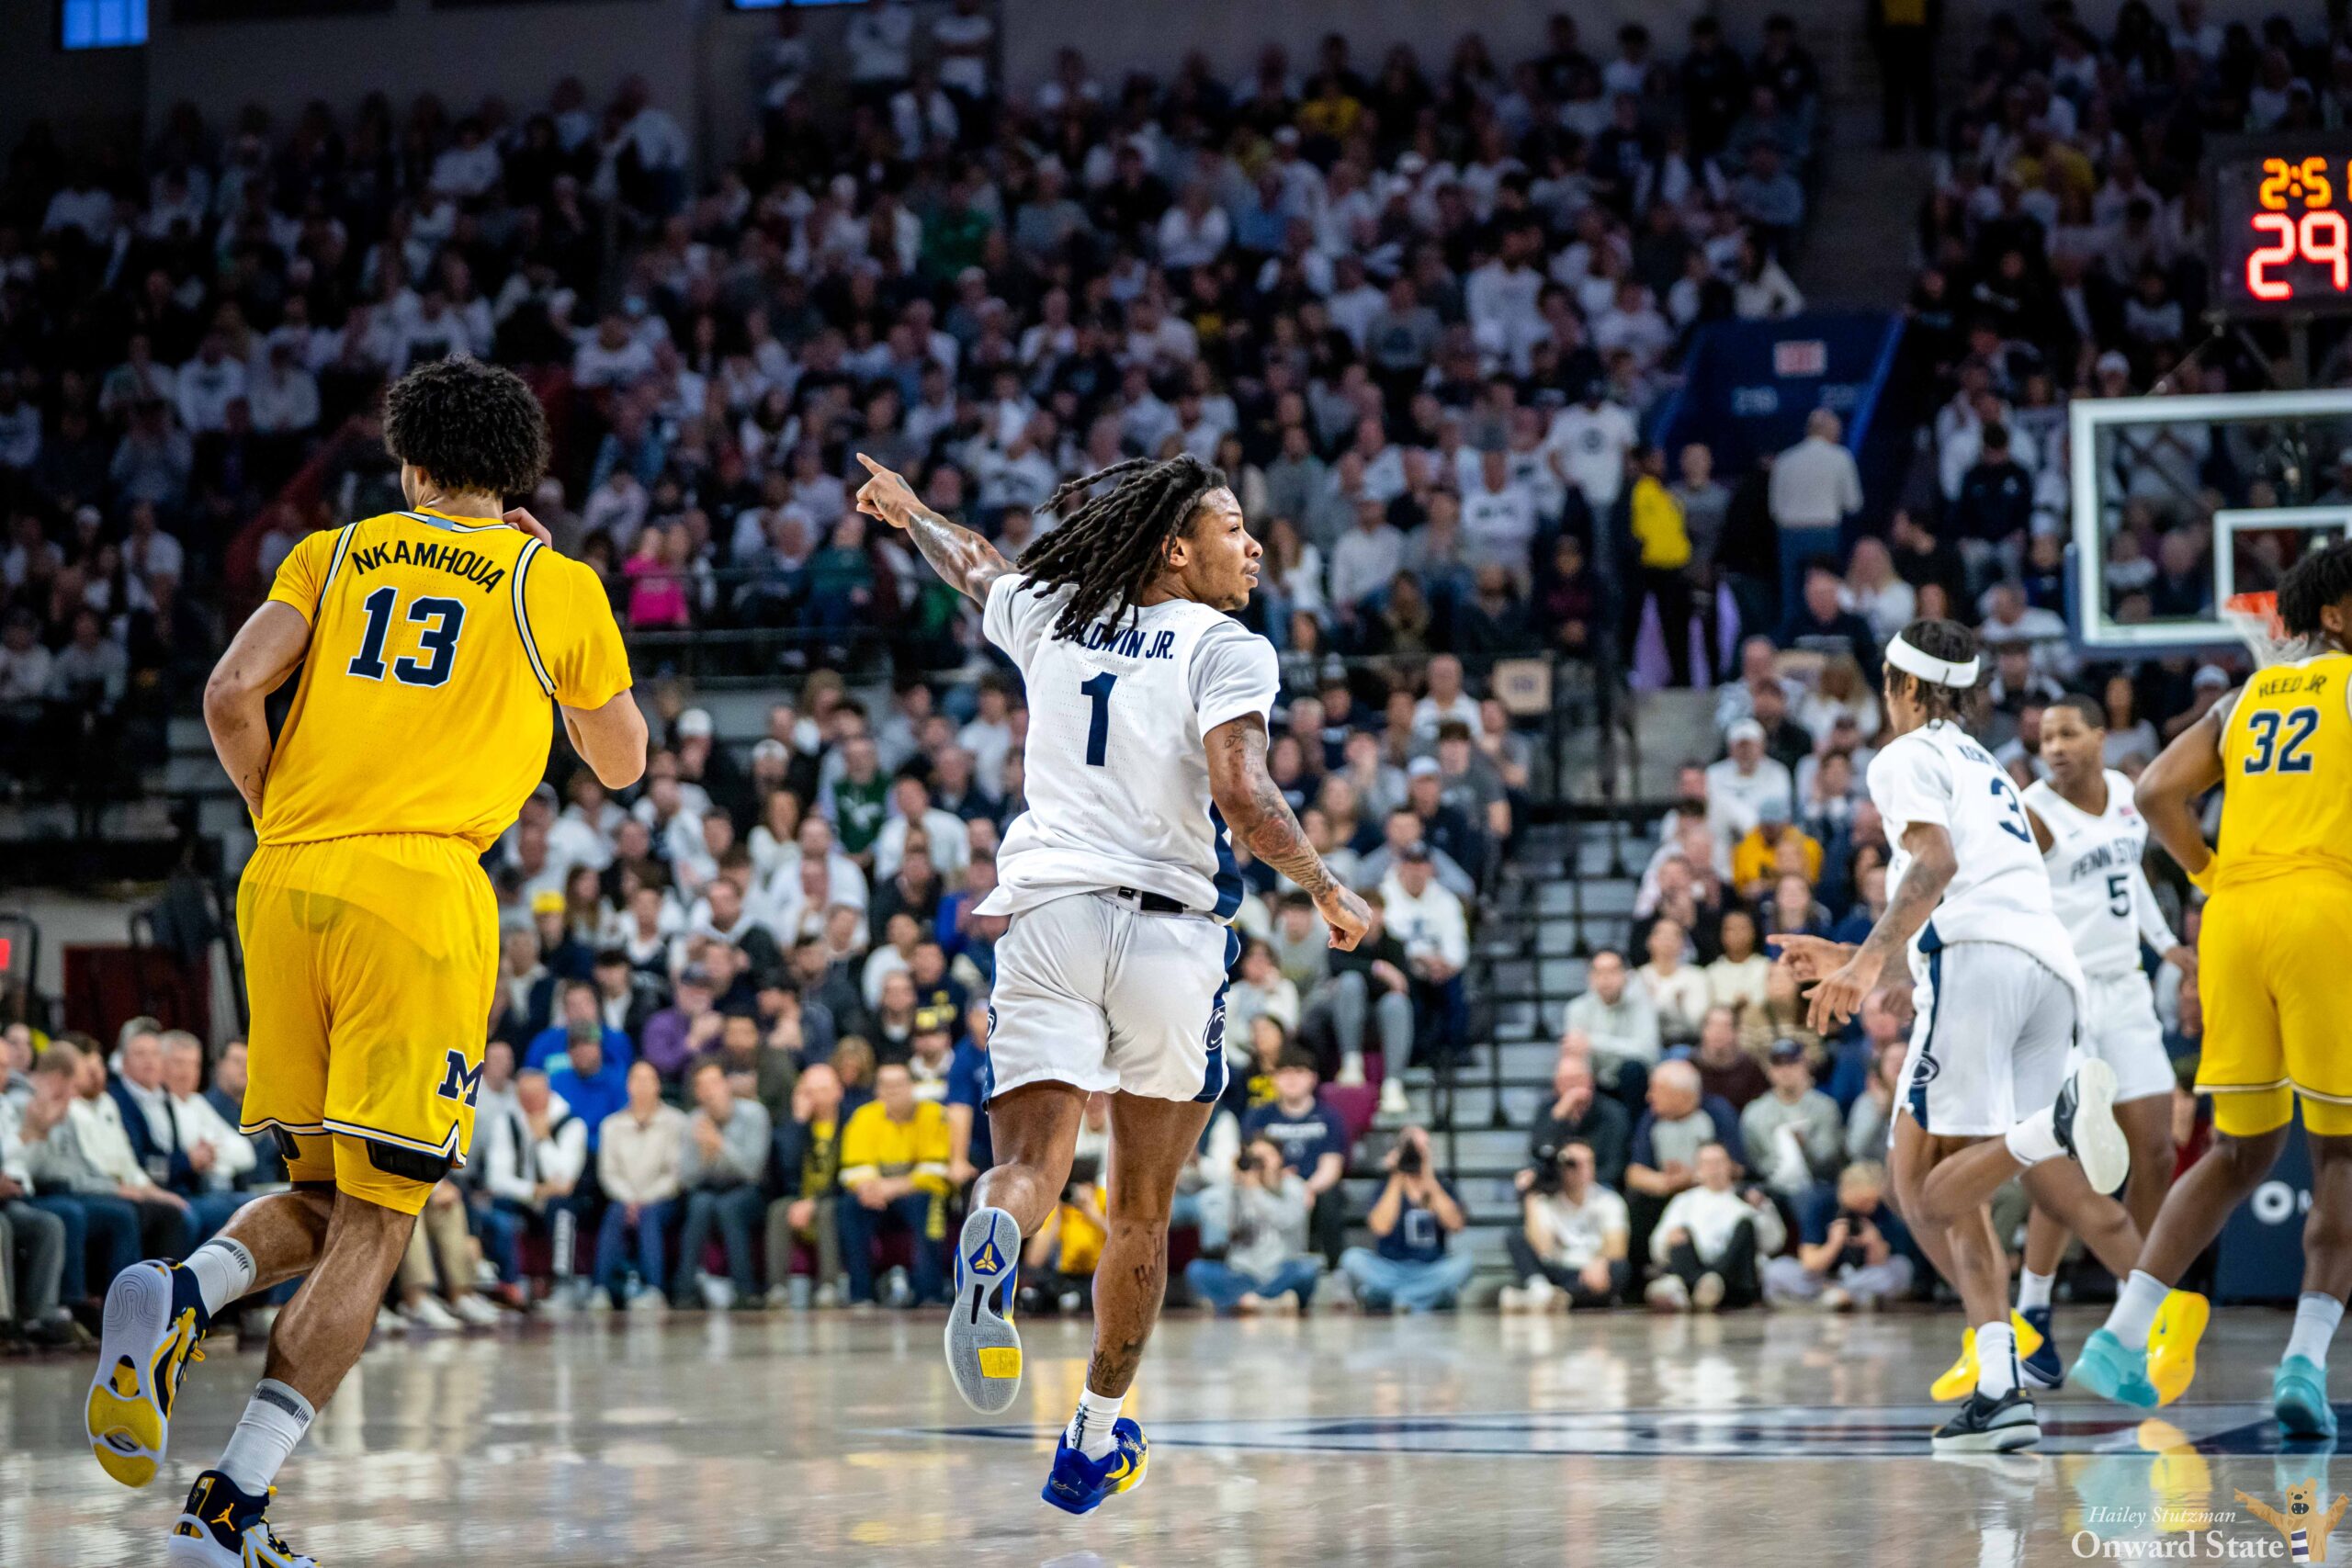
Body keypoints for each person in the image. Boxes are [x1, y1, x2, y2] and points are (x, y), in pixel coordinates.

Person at [87, 355, 645, 1560]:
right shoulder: (552, 581)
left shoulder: (330, 554)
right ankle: (230, 1501)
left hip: (286, 877)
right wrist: (557, 645)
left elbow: (231, 690)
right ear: (518, 475)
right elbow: (622, 760)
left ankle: (185, 1292)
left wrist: (278, 813)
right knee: (385, 1220)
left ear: (407, 462)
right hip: (419, 889)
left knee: (332, 1192)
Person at [851, 450, 1367, 1512]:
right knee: (1139, 1209)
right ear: (1176, 549)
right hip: (1171, 938)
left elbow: (976, 565)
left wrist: (908, 512)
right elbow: (1244, 793)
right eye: (1233, 527)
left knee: (1031, 1169)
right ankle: (1091, 1433)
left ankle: (998, 1227)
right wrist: (1325, 889)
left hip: (1048, 915)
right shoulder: (1223, 644)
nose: (1255, 544)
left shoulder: (1049, 609)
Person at [1774, 616, 2132, 1452]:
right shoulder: (1989, 767)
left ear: (1900, 686)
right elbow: (1959, 900)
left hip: (1980, 966)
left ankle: (2053, 1125)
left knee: (1922, 1193)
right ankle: (2000, 1387)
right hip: (2046, 972)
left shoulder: (1903, 755)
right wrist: (1858, 955)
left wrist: (1862, 968)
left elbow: (1934, 868)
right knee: (1943, 1187)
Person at [2075, 545, 2352, 1437]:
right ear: (2338, 616)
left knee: (2238, 1153)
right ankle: (2304, 1362)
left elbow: (2155, 790)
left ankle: (2119, 1338)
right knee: (2341, 1156)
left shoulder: (2241, 700)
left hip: (2231, 917)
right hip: (2321, 908)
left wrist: (2208, 873)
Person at [2010, 693, 2197, 1389]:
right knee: (2072, 1161)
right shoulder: (2033, 812)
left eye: (2066, 733)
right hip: (2066, 994)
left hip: (2125, 988)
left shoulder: (2124, 790)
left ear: (2100, 735)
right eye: (2045, 735)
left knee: (2152, 1146)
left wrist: (2167, 944)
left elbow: (2132, 878)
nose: (2053, 745)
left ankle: (2134, 1307)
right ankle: (2031, 1312)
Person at [836, 1061, 951, 1306]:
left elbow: (936, 1169)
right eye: (886, 1086)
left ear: (912, 1087)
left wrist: (893, 1187)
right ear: (877, 1091)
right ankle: (861, 1295)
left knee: (928, 1203)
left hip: (917, 1194)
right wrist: (869, 1188)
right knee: (849, 1207)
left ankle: (929, 1294)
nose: (892, 1092)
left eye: (899, 1085)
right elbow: (853, 1168)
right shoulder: (863, 1116)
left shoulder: (933, 1114)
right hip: (877, 1195)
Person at [1339, 1125, 1472, 1313]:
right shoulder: (1386, 1185)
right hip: (1390, 1269)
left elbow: (1456, 1224)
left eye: (1422, 1147)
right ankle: (1423, 1299)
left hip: (1431, 1269)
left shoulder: (1442, 1184)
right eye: (1411, 1148)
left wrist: (1430, 1179)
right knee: (1352, 1259)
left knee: (1465, 1262)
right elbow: (1380, 1227)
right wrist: (1396, 1176)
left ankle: (1395, 1299)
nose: (1416, 1153)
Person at [1182, 1135, 1320, 1314]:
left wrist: (1257, 1190)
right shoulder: (1239, 1188)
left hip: (1281, 1269)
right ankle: (1266, 1301)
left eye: (1266, 1156)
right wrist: (1231, 1182)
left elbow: (1286, 1220)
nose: (1260, 1163)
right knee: (1197, 1270)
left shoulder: (1294, 1186)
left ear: (1280, 1158)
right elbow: (1217, 1220)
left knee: (1307, 1270)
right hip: (1243, 1272)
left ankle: (1242, 1301)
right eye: (1255, 1157)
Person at [673, 1060, 772, 1310]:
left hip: (750, 1190)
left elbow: (752, 1171)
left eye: (714, 1083)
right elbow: (686, 1178)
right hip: (709, 1189)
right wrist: (704, 1159)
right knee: (700, 1205)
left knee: (728, 1207)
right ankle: (684, 1291)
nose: (709, 1092)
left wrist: (719, 1145)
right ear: (696, 1094)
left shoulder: (754, 1113)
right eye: (702, 1086)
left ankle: (745, 1290)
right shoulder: (693, 1121)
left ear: (727, 1085)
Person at [1646, 1141, 1785, 1312]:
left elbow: (1773, 1244)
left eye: (1719, 1162)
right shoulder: (1684, 1202)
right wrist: (1669, 1240)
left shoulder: (1746, 1201)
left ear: (1730, 1165)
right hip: (1694, 1269)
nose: (1714, 1169)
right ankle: (1699, 1285)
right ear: (1698, 1169)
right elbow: (1657, 1248)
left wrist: (1763, 1209)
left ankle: (1707, 1283)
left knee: (1745, 1225)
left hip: (1734, 1282)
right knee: (1680, 1232)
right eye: (1707, 1164)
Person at [1761, 1160, 1915, 1310]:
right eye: (1864, 1201)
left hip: (1859, 1276)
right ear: (1847, 1190)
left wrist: (1873, 1241)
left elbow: (1880, 1263)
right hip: (1821, 1278)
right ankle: (1844, 1297)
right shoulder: (1821, 1205)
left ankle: (1838, 1296)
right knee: (1776, 1270)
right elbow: (1810, 1264)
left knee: (1902, 1267)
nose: (1871, 1207)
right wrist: (1834, 1243)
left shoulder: (1882, 1210)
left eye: (1874, 1202)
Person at [594, 1060, 685, 1310]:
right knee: (614, 1213)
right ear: (628, 1086)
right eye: (637, 1080)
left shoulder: (676, 1122)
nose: (643, 1086)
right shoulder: (611, 1125)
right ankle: (600, 1289)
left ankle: (655, 1289)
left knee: (650, 1216)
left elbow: (675, 1173)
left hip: (662, 1199)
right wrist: (629, 1200)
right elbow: (608, 1173)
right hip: (624, 1198)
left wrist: (643, 1200)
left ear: (658, 1086)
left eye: (649, 1080)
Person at [1500, 1139, 1630, 1312]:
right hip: (1558, 1268)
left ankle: (1548, 1299)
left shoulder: (1608, 1200)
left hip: (1589, 1269)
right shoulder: (1544, 1201)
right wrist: (1530, 1195)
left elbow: (1617, 1248)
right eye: (1573, 1164)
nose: (1583, 1169)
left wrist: (1601, 1262)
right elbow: (1543, 1248)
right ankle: (1542, 1292)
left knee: (1619, 1269)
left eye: (1588, 1162)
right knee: (1515, 1236)